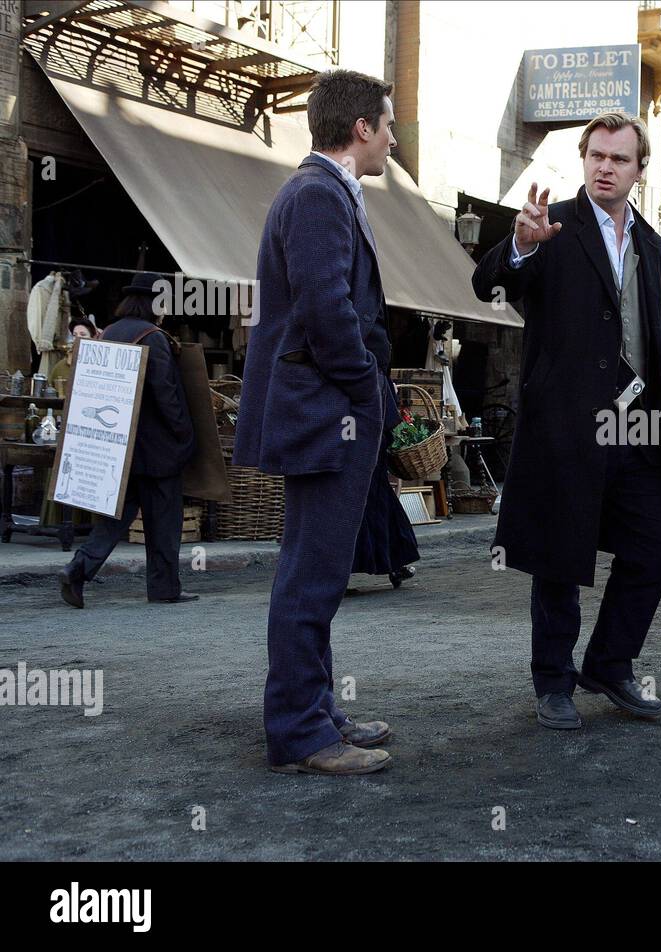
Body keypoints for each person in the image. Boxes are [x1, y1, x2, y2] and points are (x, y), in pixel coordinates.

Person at [471, 111, 661, 730]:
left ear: (639, 170)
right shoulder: (551, 226)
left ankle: (609, 663)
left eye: (619, 159)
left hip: (638, 428)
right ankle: (553, 682)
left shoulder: (652, 246)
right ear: (584, 160)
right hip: (566, 427)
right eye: (596, 156)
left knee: (658, 542)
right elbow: (486, 282)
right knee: (559, 557)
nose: (606, 168)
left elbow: (650, 337)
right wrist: (520, 245)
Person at [233, 69, 398, 776]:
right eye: (388, 125)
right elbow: (327, 311)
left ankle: (317, 712)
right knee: (311, 575)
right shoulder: (318, 195)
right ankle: (300, 732)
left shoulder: (322, 192)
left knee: (317, 571)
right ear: (362, 128)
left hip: (324, 410)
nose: (392, 139)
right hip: (326, 413)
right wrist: (366, 388)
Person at [58, 273, 197, 610]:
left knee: (114, 519)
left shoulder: (109, 332)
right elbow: (166, 394)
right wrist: (185, 434)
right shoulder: (153, 337)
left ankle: (77, 569)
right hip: (158, 448)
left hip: (119, 448)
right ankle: (164, 588)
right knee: (164, 521)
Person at [350, 370, 420, 589]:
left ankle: (395, 563)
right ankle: (393, 564)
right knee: (365, 502)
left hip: (366, 426)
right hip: (359, 426)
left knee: (376, 500)